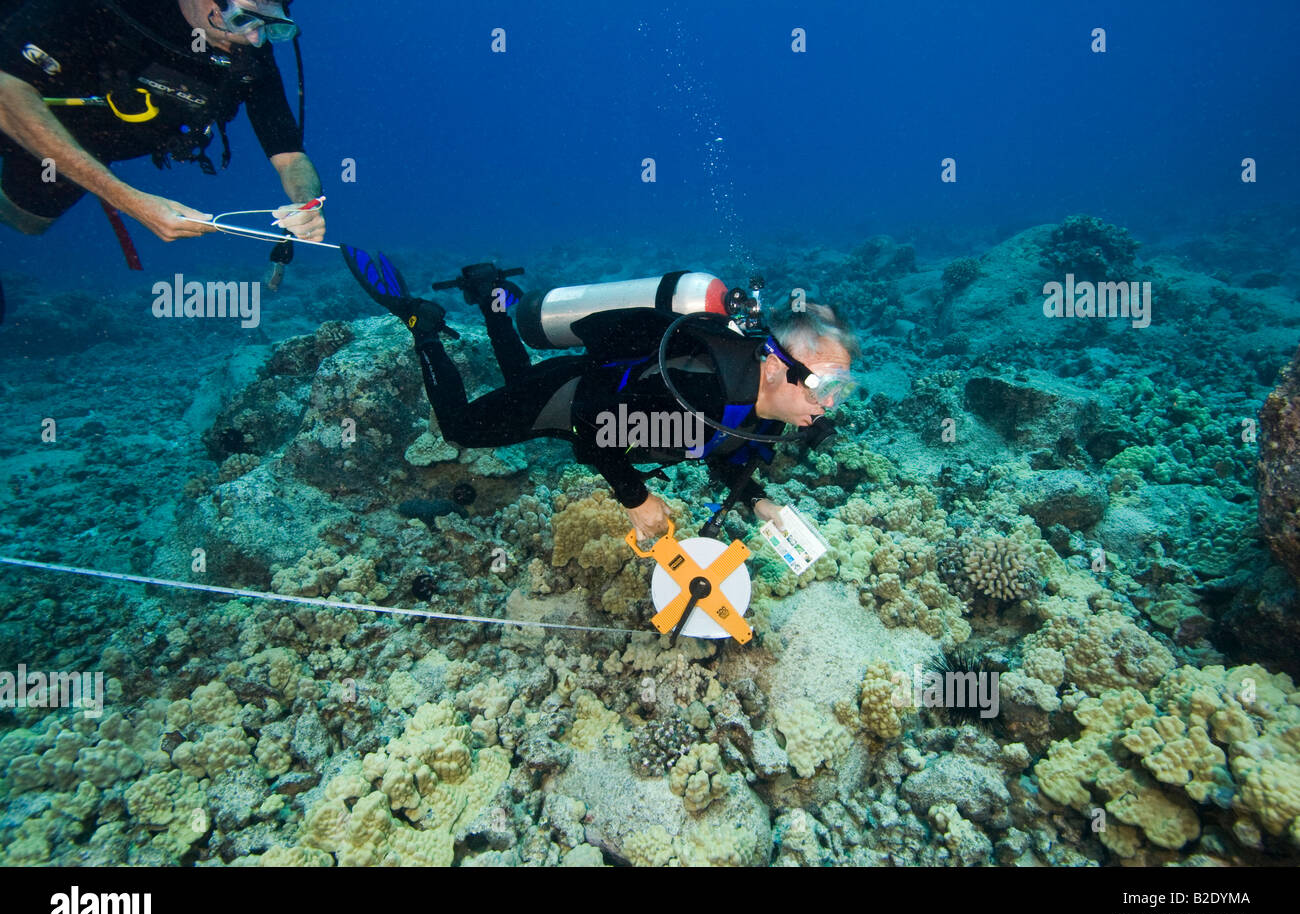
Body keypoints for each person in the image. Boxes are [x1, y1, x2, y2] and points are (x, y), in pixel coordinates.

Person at [343, 247, 861, 542]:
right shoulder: (703, 396)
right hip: (569, 398)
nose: (831, 403)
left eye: (843, 388)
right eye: (824, 384)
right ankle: (423, 325)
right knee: (460, 427)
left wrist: (758, 501)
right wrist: (634, 498)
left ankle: (490, 293)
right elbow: (593, 432)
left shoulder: (769, 411)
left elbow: (726, 453)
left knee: (518, 386)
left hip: (586, 389)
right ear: (773, 366)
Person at [0, 0, 324, 243]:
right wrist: (128, 200)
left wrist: (306, 203)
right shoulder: (105, 8)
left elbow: (290, 156)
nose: (254, 38)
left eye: (271, 27)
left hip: (86, 143)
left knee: (28, 221)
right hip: (26, 106)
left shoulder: (251, 56)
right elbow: (7, 90)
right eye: (241, 18)